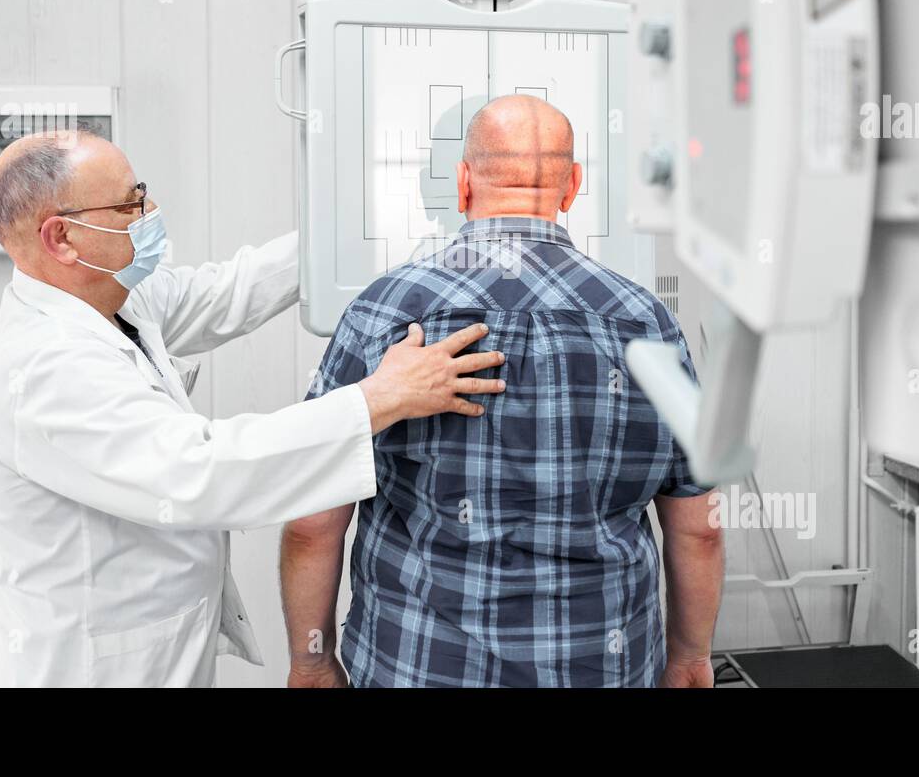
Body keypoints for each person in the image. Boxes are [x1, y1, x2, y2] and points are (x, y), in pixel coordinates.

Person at [0, 128, 504, 686]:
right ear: (62, 239)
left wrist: (362, 220)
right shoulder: (44, 366)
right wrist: (377, 399)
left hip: (160, 653)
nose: (151, 211)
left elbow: (231, 290)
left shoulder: (110, 298)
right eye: (130, 202)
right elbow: (200, 473)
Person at [280, 95, 723, 688]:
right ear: (571, 189)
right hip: (601, 666)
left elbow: (313, 520)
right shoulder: (647, 322)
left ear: (462, 185)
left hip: (417, 665)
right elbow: (699, 526)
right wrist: (690, 659)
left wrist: (311, 660)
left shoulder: (387, 310)